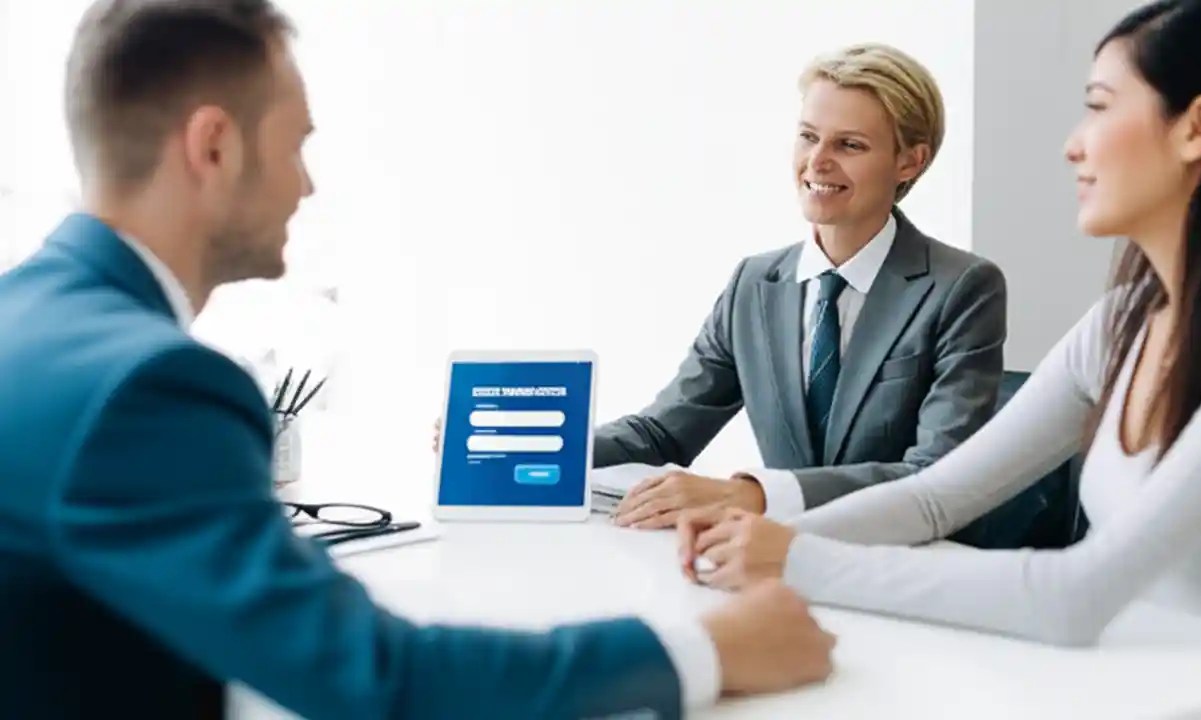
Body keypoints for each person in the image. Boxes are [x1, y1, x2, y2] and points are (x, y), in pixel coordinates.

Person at [0, 2, 835, 717]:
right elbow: (381, 681)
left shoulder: (22, 315)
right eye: (296, 146)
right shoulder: (150, 389)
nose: (307, 187)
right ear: (213, 148)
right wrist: (705, 649)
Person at [677, 0, 1201, 646]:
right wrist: (758, 536)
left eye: (1100, 106)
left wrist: (795, 560)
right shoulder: (1117, 324)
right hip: (1131, 689)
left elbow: (1075, 595)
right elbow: (936, 497)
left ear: (1198, 128)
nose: (1073, 143)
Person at [602, 44, 1009, 530]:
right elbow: (662, 433)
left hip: (895, 563)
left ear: (910, 162)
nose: (817, 162)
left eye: (849, 145)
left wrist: (754, 494)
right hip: (770, 561)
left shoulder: (961, 289)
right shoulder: (754, 285)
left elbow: (936, 476)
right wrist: (529, 450)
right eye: (808, 137)